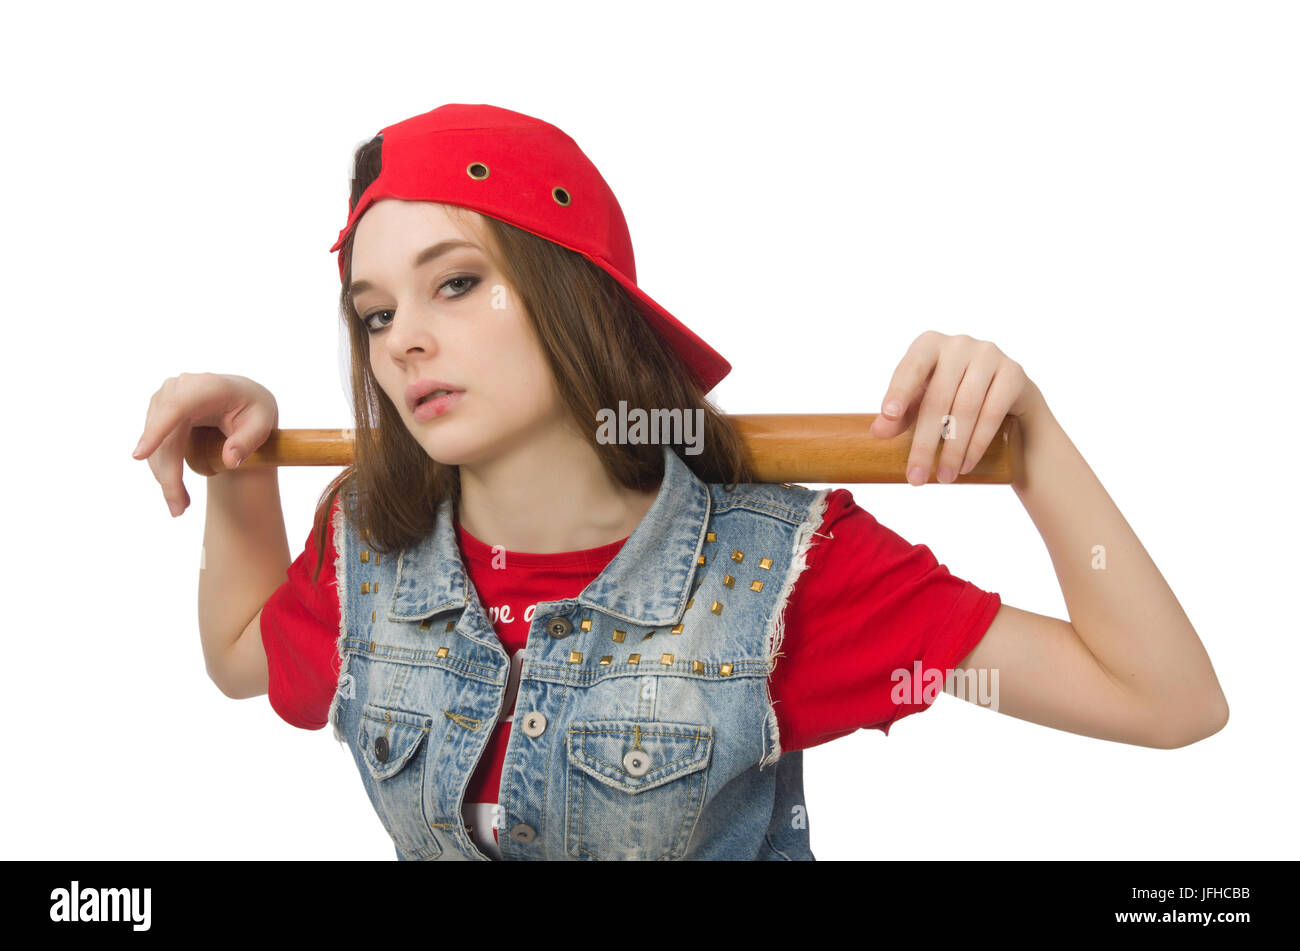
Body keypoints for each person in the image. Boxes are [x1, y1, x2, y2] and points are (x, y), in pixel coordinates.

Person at [132, 103, 1229, 861]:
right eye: (375, 314)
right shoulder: (370, 544)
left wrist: (1034, 448)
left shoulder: (782, 572)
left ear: (576, 298)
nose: (405, 341)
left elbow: (1166, 701)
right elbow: (241, 658)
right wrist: (241, 467)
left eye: (456, 284)